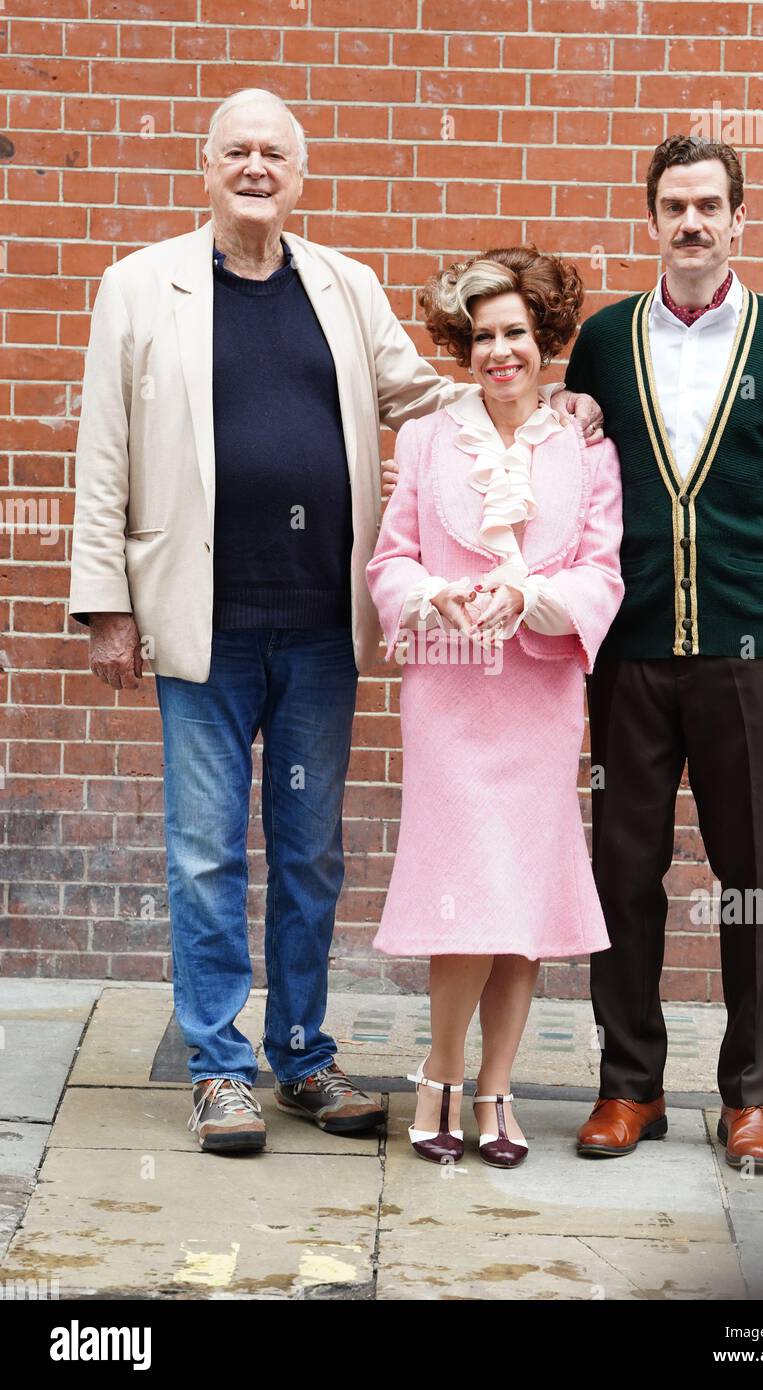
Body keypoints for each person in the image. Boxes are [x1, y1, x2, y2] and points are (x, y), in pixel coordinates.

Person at [68, 89, 603, 1155]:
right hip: (201, 623)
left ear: (300, 175)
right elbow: (104, 449)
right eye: (238, 151)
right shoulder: (138, 288)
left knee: (310, 851)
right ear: (205, 165)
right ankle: (221, 1068)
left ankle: (304, 1056)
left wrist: (550, 406)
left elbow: (421, 392)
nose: (256, 166)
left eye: (276, 152)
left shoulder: (343, 286)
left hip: (320, 622)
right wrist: (105, 604)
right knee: (207, 851)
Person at [565, 135, 763, 1170]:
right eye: (672, 206)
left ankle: (752, 1097)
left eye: (708, 206)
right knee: (623, 874)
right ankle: (627, 1085)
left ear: (738, 219)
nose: (690, 223)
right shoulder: (604, 342)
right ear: (649, 220)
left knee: (753, 878)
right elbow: (572, 481)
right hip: (630, 651)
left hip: (749, 656)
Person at [366, 247, 624, 1168]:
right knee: (461, 889)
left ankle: (494, 1087)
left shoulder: (587, 447)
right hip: (447, 695)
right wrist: (434, 595)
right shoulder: (428, 438)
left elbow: (602, 572)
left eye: (516, 332)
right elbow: (389, 561)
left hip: (538, 693)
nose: (500, 352)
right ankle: (438, 1070)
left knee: (522, 898)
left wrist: (529, 600)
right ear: (461, 345)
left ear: (545, 339)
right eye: (482, 336)